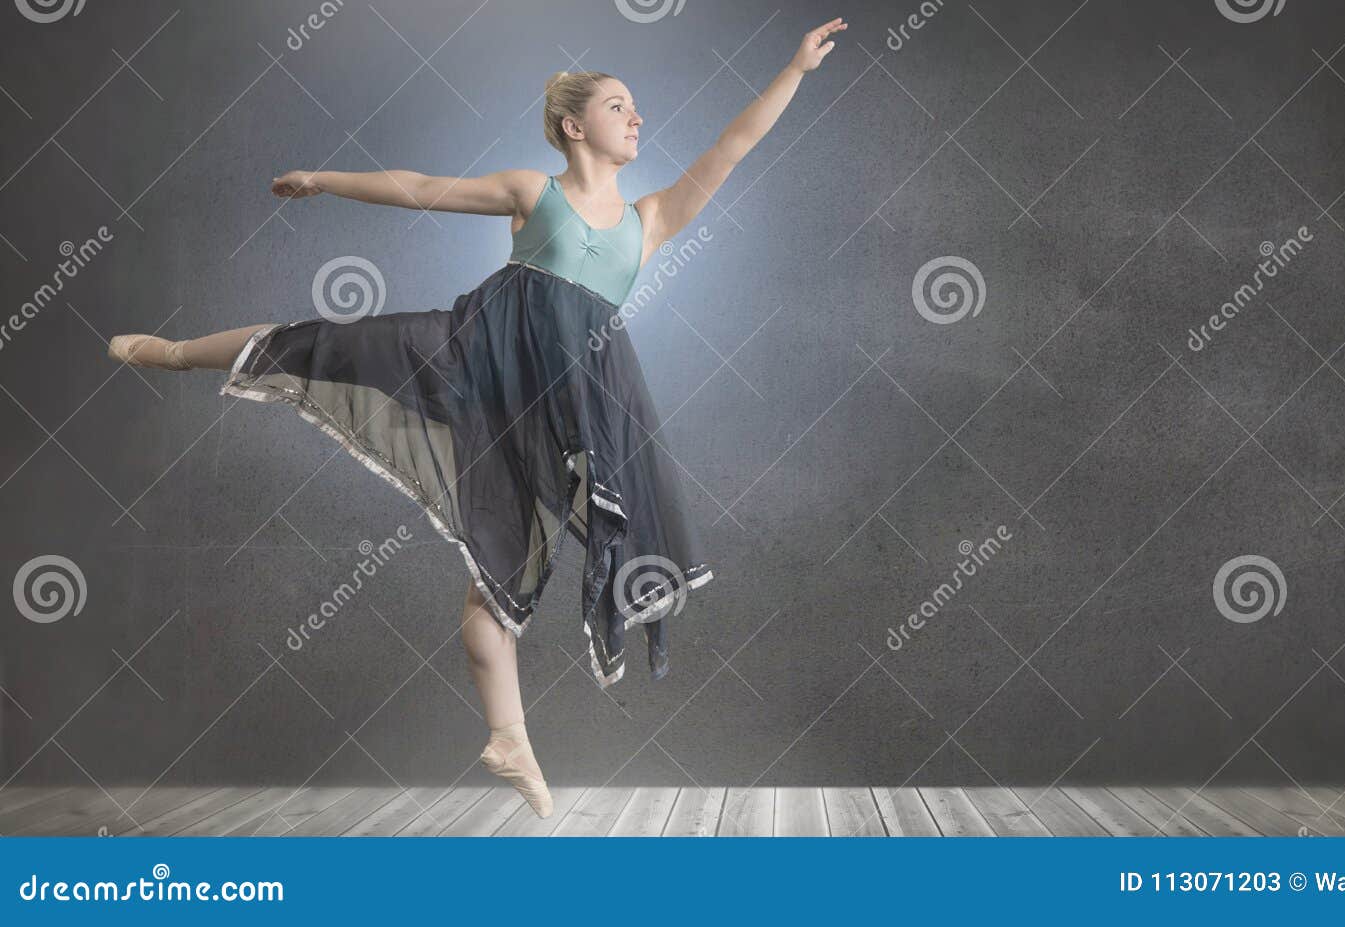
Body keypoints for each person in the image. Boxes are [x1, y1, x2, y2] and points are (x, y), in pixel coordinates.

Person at [105, 18, 846, 819]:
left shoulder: (652, 219)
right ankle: (176, 353)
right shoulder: (535, 192)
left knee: (499, 587)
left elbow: (733, 147)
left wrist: (796, 69)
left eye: (637, 108)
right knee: (327, 343)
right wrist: (323, 177)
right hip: (473, 365)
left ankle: (510, 738)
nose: (638, 118)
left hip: (558, 421)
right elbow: (421, 187)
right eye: (619, 106)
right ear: (573, 125)